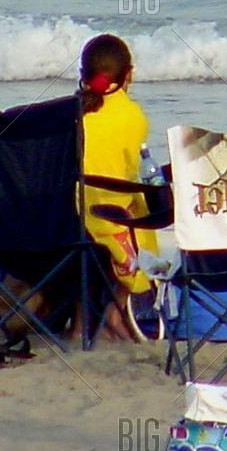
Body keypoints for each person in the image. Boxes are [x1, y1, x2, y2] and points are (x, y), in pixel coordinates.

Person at [79, 33, 159, 343]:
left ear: (83, 75)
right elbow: (129, 173)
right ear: (129, 75)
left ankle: (88, 320)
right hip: (106, 221)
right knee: (143, 219)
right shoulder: (133, 116)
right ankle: (117, 309)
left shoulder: (66, 114)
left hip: (62, 221)